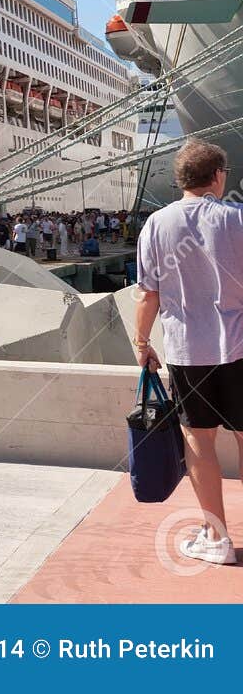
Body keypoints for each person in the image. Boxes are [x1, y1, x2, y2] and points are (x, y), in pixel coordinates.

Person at [135, 140, 243, 566]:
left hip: (187, 353)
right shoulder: (237, 219)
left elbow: (148, 296)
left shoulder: (156, 226)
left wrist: (142, 345)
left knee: (200, 442)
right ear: (217, 175)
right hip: (239, 348)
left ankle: (216, 538)